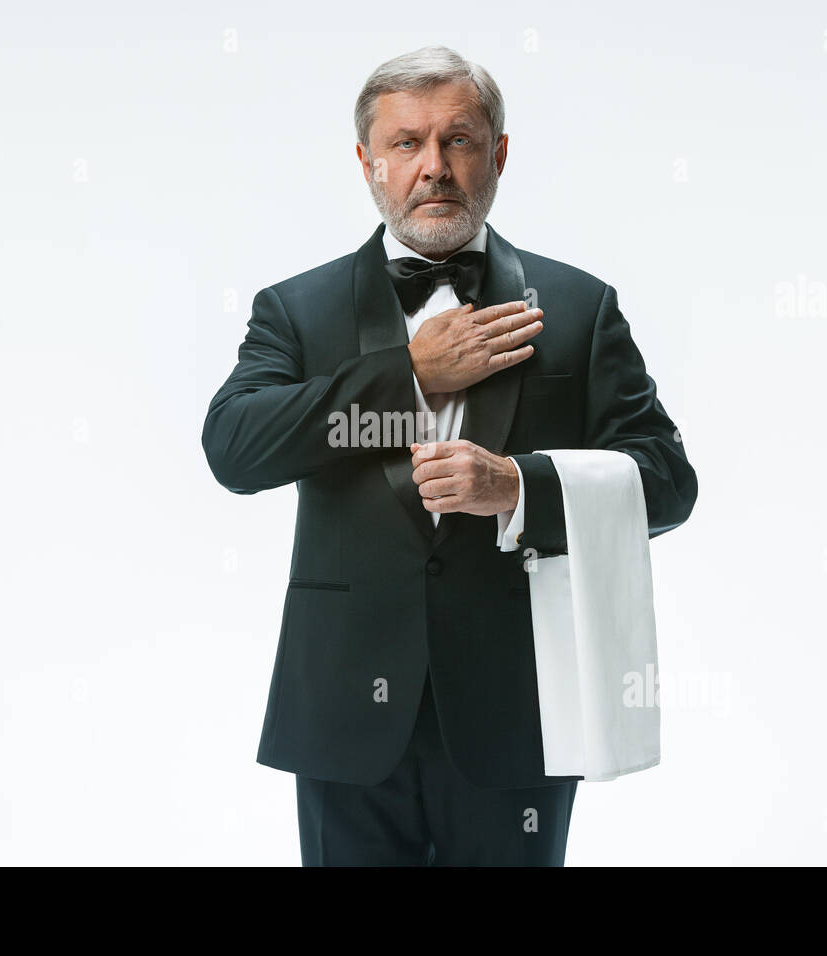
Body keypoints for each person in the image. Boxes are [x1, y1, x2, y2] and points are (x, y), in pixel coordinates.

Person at [201, 45, 697, 866]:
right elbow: (234, 448)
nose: (433, 166)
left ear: (497, 154)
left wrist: (519, 486)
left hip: (521, 715)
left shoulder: (578, 307)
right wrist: (408, 374)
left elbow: (669, 482)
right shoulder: (296, 309)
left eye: (458, 140)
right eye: (406, 143)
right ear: (367, 162)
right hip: (343, 719)